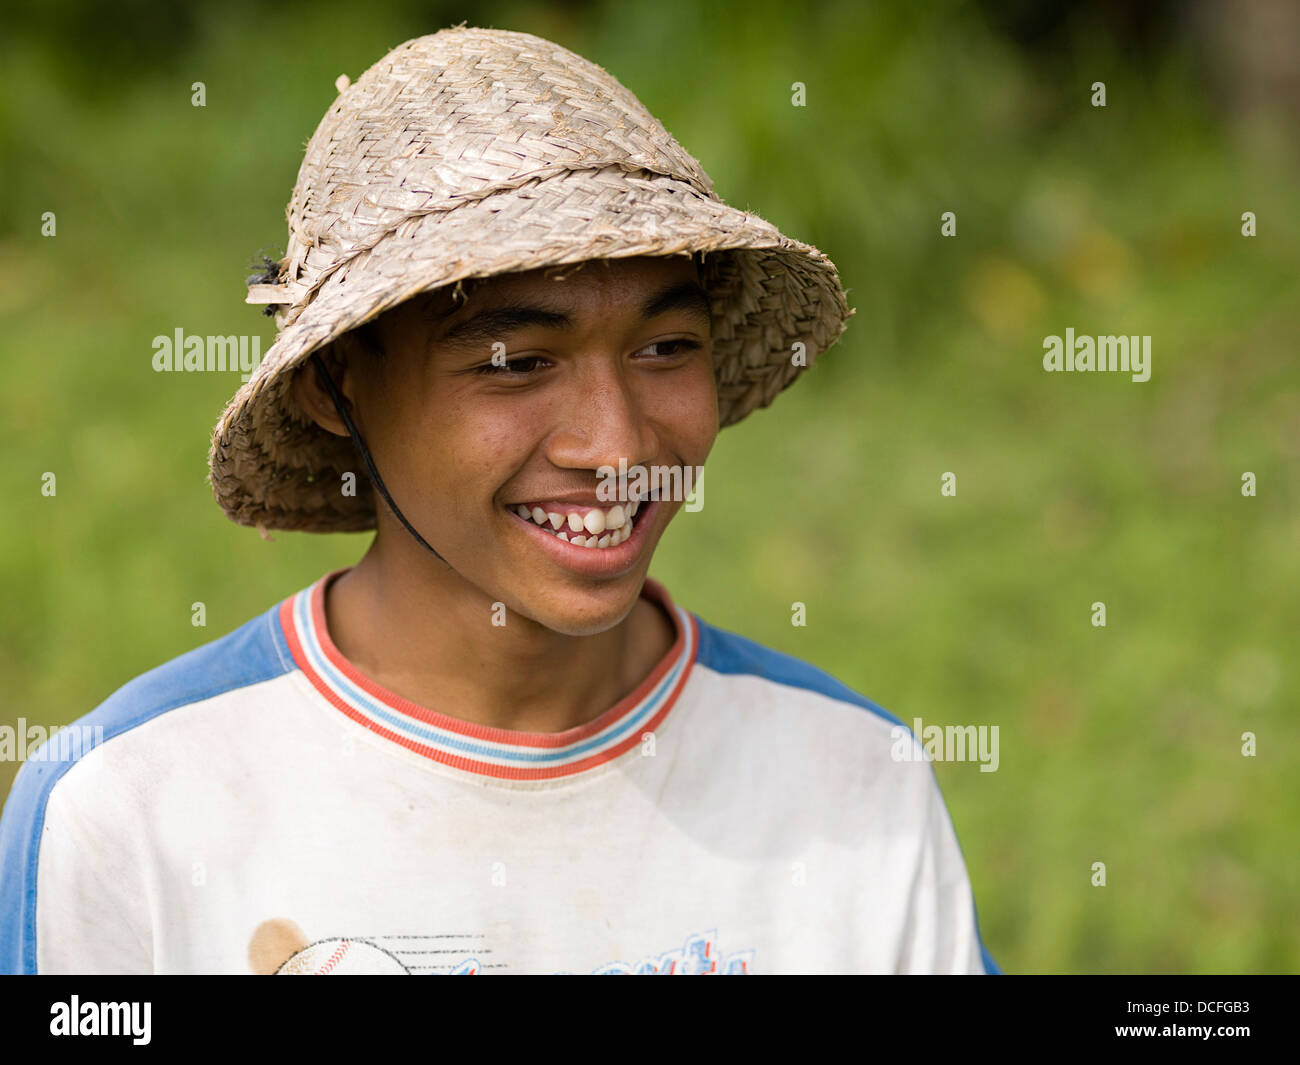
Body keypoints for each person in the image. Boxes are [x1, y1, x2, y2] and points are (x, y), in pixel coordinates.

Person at [0, 26, 998, 974]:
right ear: (335, 385)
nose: (615, 446)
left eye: (665, 348)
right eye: (516, 362)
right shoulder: (129, 811)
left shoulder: (848, 782)